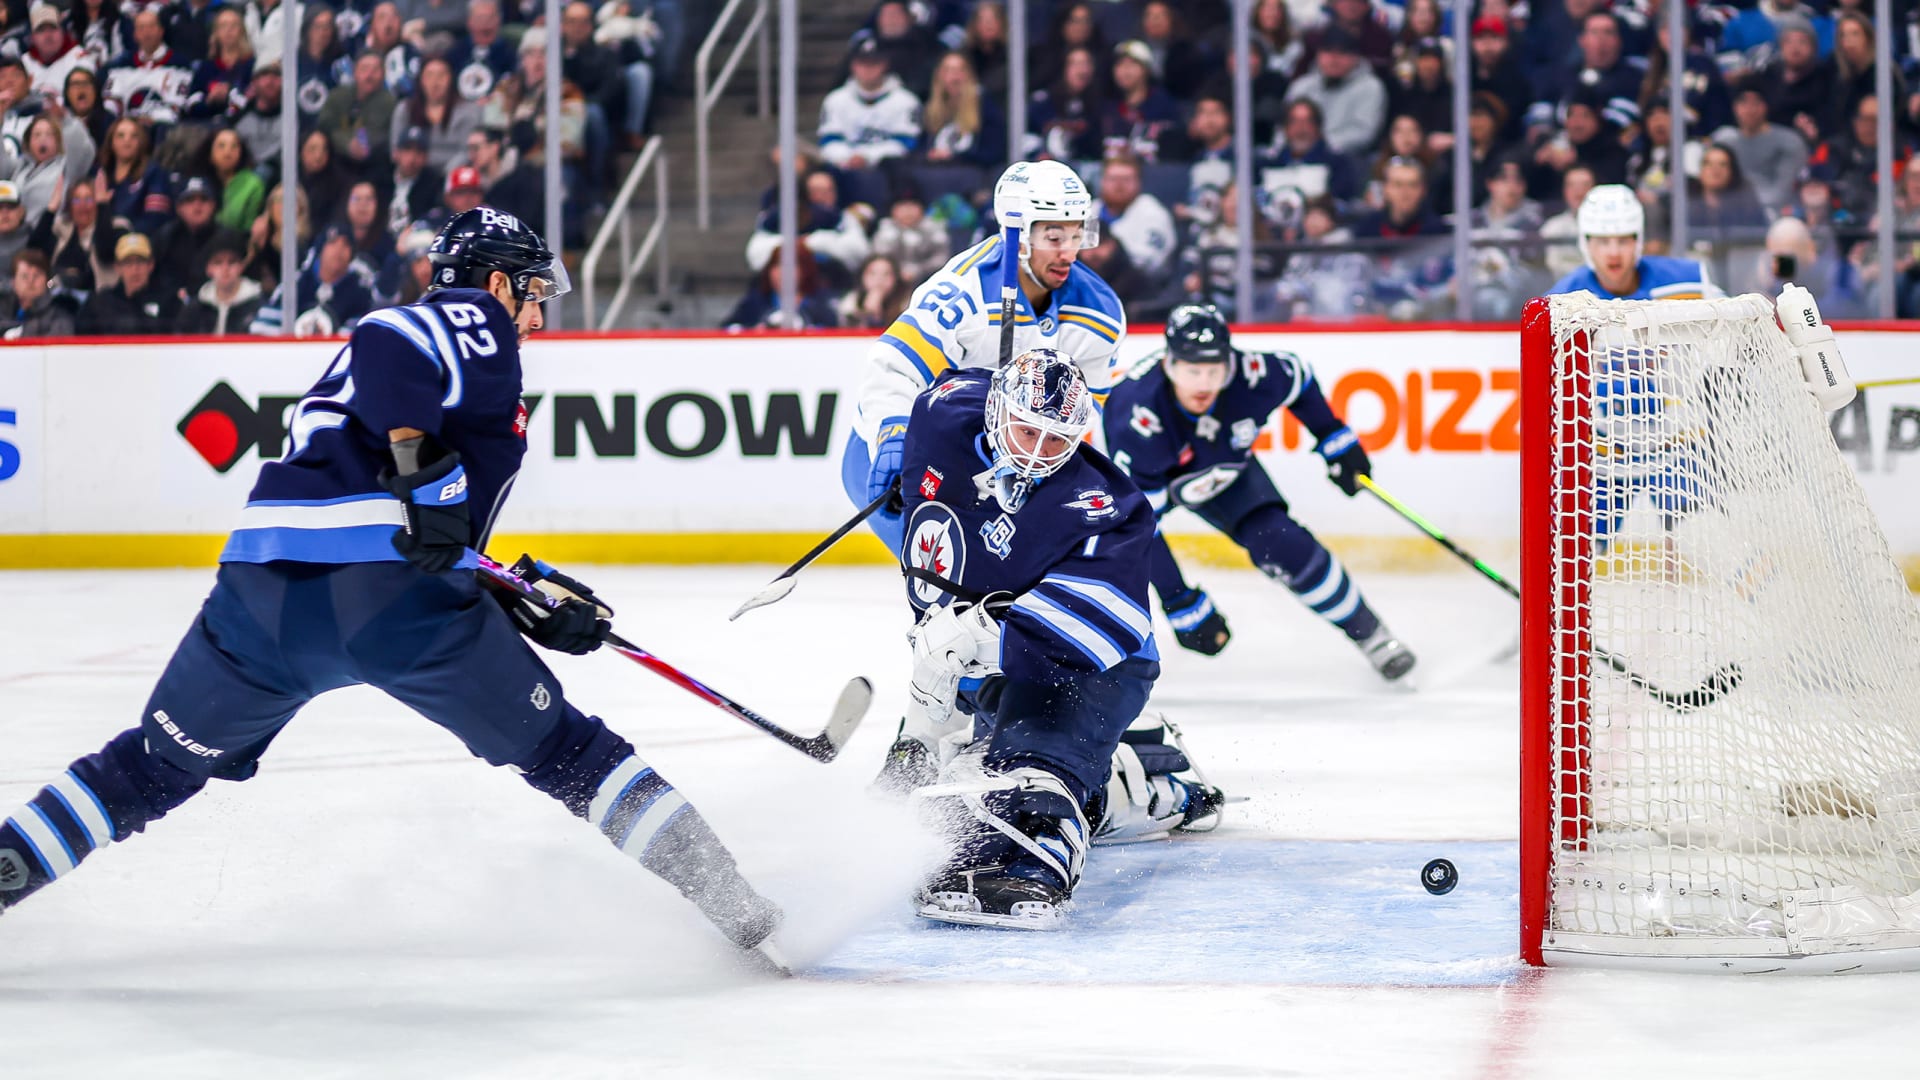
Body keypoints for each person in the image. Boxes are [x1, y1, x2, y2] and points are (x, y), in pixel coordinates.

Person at [0, 207, 789, 967]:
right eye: (533, 292)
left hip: (262, 599)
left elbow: (438, 538)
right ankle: (737, 905)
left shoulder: (462, 387)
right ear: (493, 282)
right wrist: (420, 462)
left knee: (151, 767)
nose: (539, 317)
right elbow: (390, 349)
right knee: (566, 750)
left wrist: (520, 594)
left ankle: (11, 866)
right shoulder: (463, 319)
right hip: (389, 606)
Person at [882, 348, 1222, 929]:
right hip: (998, 660)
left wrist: (968, 638)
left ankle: (1045, 853)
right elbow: (928, 379)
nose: (1037, 453)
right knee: (976, 775)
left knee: (1029, 771)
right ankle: (1156, 778)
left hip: (1092, 663)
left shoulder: (1106, 509)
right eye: (1026, 430)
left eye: (1056, 440)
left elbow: (1093, 631)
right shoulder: (944, 414)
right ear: (995, 410)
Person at [1103, 304, 1417, 679]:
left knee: (1282, 543)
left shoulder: (1254, 375)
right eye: (1192, 371)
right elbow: (1139, 524)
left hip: (1224, 468)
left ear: (1230, 362)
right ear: (1169, 364)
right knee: (1103, 558)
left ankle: (1372, 635)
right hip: (1151, 485)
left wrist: (1334, 438)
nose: (1203, 384)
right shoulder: (1138, 414)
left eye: (1213, 371)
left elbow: (1299, 378)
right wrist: (1178, 600)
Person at [841, 159, 1127, 556]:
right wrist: (894, 437)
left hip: (1017, 462)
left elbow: (1083, 416)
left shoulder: (1101, 314)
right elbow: (895, 366)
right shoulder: (962, 292)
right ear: (1019, 234)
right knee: (948, 585)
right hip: (914, 450)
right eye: (1054, 237)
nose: (1069, 254)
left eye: (1077, 235)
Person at [1548, 183, 1720, 300]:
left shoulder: (1686, 281)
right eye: (1603, 242)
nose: (1614, 252)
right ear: (1586, 245)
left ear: (1638, 242)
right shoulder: (1561, 301)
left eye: (1623, 241)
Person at [77, 231, 180, 333]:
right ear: (117, 267)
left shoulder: (168, 301)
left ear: (151, 265)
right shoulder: (100, 303)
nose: (135, 269)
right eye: (128, 262)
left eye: (140, 261)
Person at [175, 234, 264, 333]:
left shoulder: (259, 306)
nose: (225, 269)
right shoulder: (194, 309)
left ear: (241, 266)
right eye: (218, 262)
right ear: (208, 269)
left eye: (232, 262)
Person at [1, 246, 78, 337]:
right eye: (24, 276)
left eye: (37, 275)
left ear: (46, 281)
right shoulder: (3, 312)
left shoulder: (59, 319)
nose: (30, 281)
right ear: (13, 282)